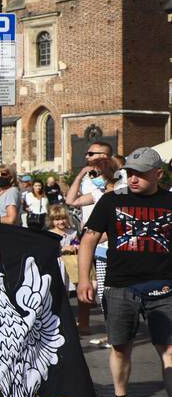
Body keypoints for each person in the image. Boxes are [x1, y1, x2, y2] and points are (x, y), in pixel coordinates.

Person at [77, 147, 172, 397]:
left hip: (164, 287)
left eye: (140, 174)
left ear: (158, 174)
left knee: (168, 350)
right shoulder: (111, 201)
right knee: (120, 347)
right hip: (120, 286)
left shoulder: (170, 201)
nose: (132, 179)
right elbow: (89, 239)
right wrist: (84, 278)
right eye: (129, 172)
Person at [65, 140, 117, 337]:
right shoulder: (93, 183)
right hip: (94, 242)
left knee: (114, 291)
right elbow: (71, 200)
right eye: (87, 153)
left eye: (92, 153)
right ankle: (101, 328)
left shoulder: (120, 183)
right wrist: (80, 174)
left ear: (105, 156)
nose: (87, 157)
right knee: (93, 287)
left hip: (109, 243)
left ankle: (116, 331)